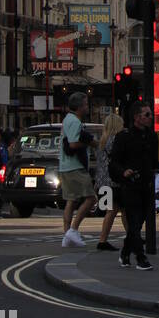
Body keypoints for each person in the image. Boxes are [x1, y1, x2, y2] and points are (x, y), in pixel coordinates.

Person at [108, 102, 156, 270]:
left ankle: (125, 252)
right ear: (137, 117)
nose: (151, 118)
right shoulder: (124, 136)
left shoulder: (151, 136)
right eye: (147, 115)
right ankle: (141, 258)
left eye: (150, 114)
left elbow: (153, 160)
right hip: (130, 186)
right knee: (134, 221)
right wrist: (123, 172)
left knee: (138, 223)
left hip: (146, 185)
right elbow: (113, 162)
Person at [59, 93, 96, 247]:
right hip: (75, 167)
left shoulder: (67, 119)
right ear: (80, 107)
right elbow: (74, 144)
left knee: (71, 200)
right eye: (86, 105)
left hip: (65, 166)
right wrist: (90, 142)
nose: (88, 107)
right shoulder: (74, 122)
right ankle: (73, 230)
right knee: (91, 198)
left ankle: (67, 235)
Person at [93, 113, 126, 251]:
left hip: (101, 182)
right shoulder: (116, 141)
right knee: (116, 210)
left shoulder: (101, 141)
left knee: (115, 210)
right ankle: (103, 240)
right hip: (113, 181)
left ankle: (130, 236)